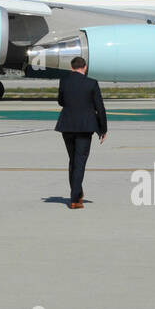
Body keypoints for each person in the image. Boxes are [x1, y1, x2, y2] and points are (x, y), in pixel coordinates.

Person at [54, 56, 108, 209]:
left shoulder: (64, 81)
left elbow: (61, 101)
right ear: (84, 67)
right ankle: (75, 198)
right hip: (85, 127)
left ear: (72, 67)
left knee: (73, 160)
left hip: (67, 125)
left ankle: (76, 192)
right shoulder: (91, 83)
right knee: (80, 162)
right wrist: (103, 129)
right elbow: (100, 107)